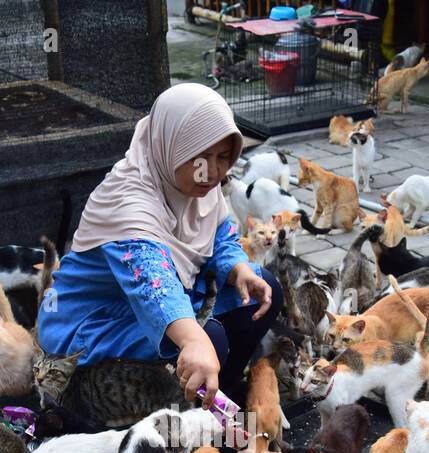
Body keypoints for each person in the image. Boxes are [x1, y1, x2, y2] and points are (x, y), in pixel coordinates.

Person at [38, 83, 282, 407]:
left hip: (164, 296)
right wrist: (193, 340)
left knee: (262, 289)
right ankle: (183, 420)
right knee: (205, 337)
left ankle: (220, 391)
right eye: (200, 158)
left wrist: (238, 269)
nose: (212, 172)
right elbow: (151, 282)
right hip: (96, 320)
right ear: (170, 146)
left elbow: (220, 236)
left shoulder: (195, 183)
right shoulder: (128, 201)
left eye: (224, 157)